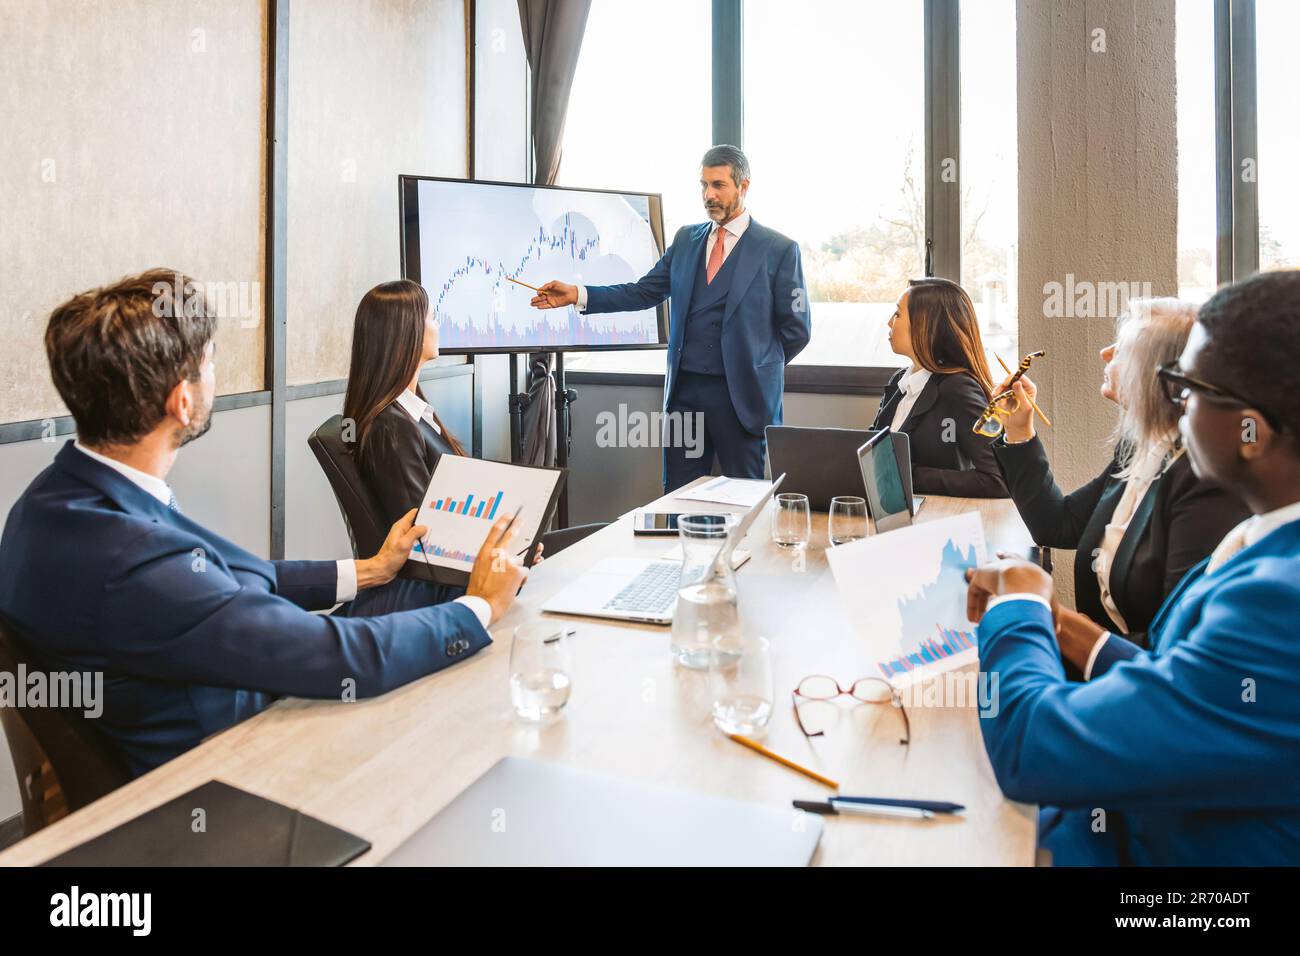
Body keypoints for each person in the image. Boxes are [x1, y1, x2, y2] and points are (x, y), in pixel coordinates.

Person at [0, 270, 528, 778]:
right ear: (182, 402)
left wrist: (367, 570)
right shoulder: (136, 559)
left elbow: (234, 576)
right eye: (208, 360)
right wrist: (479, 606)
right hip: (234, 757)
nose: (215, 373)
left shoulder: (52, 502)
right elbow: (344, 658)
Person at [966, 269, 1300, 866]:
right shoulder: (1264, 533)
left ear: (1253, 431)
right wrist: (1059, 622)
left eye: (1188, 387)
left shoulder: (1280, 606)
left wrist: (1014, 608)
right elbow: (1185, 681)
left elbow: (1033, 752)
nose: (1178, 403)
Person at [529, 145, 811, 491]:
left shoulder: (780, 250)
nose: (709, 194)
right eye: (703, 185)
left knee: (743, 499)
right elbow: (643, 292)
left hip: (743, 401)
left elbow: (797, 331)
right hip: (685, 395)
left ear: (744, 186)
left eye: (719, 185)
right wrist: (578, 293)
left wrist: (755, 365)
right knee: (678, 499)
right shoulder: (686, 240)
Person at [990, 299, 1249, 661]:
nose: (1104, 352)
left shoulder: (1204, 482)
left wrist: (1061, 626)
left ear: (1160, 374)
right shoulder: (1139, 445)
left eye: (1123, 347)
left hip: (1140, 688)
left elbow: (1179, 650)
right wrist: (1019, 430)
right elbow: (1057, 525)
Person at [339, 279, 470, 616]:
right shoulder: (391, 426)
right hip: (429, 590)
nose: (438, 325)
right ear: (407, 332)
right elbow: (425, 527)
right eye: (431, 317)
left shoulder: (412, 414)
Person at [869, 278, 1008, 497]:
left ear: (925, 324)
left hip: (939, 520)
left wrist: (907, 476)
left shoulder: (959, 389)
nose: (889, 322)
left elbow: (998, 479)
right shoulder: (899, 381)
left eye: (897, 314)